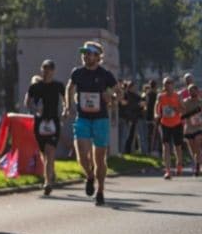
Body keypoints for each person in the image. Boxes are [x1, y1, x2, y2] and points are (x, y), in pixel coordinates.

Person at [63, 41, 118, 206]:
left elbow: (117, 91)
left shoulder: (105, 74)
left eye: (89, 53)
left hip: (100, 119)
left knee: (99, 158)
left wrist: (110, 97)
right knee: (81, 154)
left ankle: (100, 190)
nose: (85, 56)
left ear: (97, 56)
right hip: (83, 118)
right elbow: (69, 88)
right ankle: (89, 176)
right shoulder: (77, 73)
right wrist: (67, 106)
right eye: (84, 53)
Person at [24, 59, 65, 195]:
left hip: (53, 122)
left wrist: (66, 110)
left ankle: (47, 182)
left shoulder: (58, 86)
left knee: (50, 151)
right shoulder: (35, 87)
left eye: (49, 69)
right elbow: (27, 102)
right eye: (44, 68)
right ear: (41, 70)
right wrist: (35, 108)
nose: (46, 71)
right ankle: (50, 172)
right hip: (39, 123)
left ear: (53, 71)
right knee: (44, 153)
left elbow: (66, 100)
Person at [155, 77, 185, 179]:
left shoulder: (178, 96)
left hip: (177, 123)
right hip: (165, 124)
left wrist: (177, 109)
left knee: (178, 147)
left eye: (170, 83)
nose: (168, 85)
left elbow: (183, 109)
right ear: (164, 86)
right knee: (166, 146)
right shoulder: (160, 96)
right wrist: (156, 115)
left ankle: (179, 166)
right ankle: (167, 171)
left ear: (173, 85)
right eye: (166, 84)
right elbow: (157, 108)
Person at [117, 80, 142, 155]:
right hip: (126, 118)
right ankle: (121, 151)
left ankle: (123, 151)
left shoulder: (133, 96)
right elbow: (129, 106)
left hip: (128, 118)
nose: (135, 88)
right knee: (124, 136)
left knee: (126, 136)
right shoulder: (128, 95)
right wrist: (138, 105)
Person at [181, 84, 201, 177]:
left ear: (197, 91)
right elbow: (182, 115)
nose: (191, 92)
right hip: (189, 128)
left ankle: (197, 166)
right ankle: (197, 161)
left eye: (193, 90)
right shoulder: (186, 102)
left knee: (197, 143)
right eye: (190, 91)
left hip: (199, 127)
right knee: (193, 149)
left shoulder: (200, 102)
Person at [143, 80, 161, 155]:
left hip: (148, 117)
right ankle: (154, 150)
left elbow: (146, 106)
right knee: (155, 134)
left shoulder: (147, 94)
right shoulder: (156, 95)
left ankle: (149, 150)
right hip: (154, 117)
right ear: (155, 86)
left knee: (149, 134)